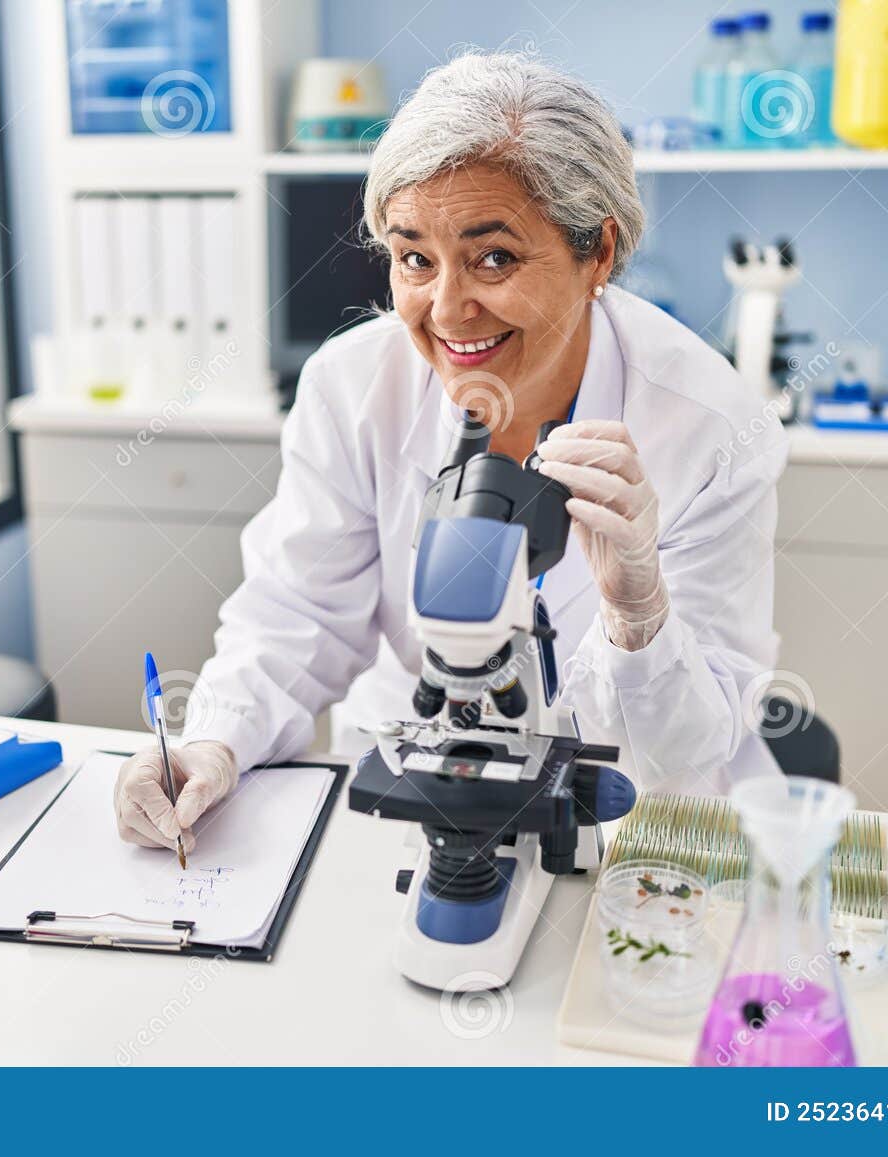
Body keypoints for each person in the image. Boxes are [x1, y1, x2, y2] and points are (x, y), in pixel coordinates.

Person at [114, 51, 788, 854]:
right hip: (420, 784)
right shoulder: (350, 386)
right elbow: (297, 613)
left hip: (638, 826)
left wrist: (640, 618)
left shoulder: (712, 426)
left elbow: (690, 756)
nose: (447, 308)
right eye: (414, 259)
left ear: (597, 254)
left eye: (494, 256)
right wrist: (211, 744)